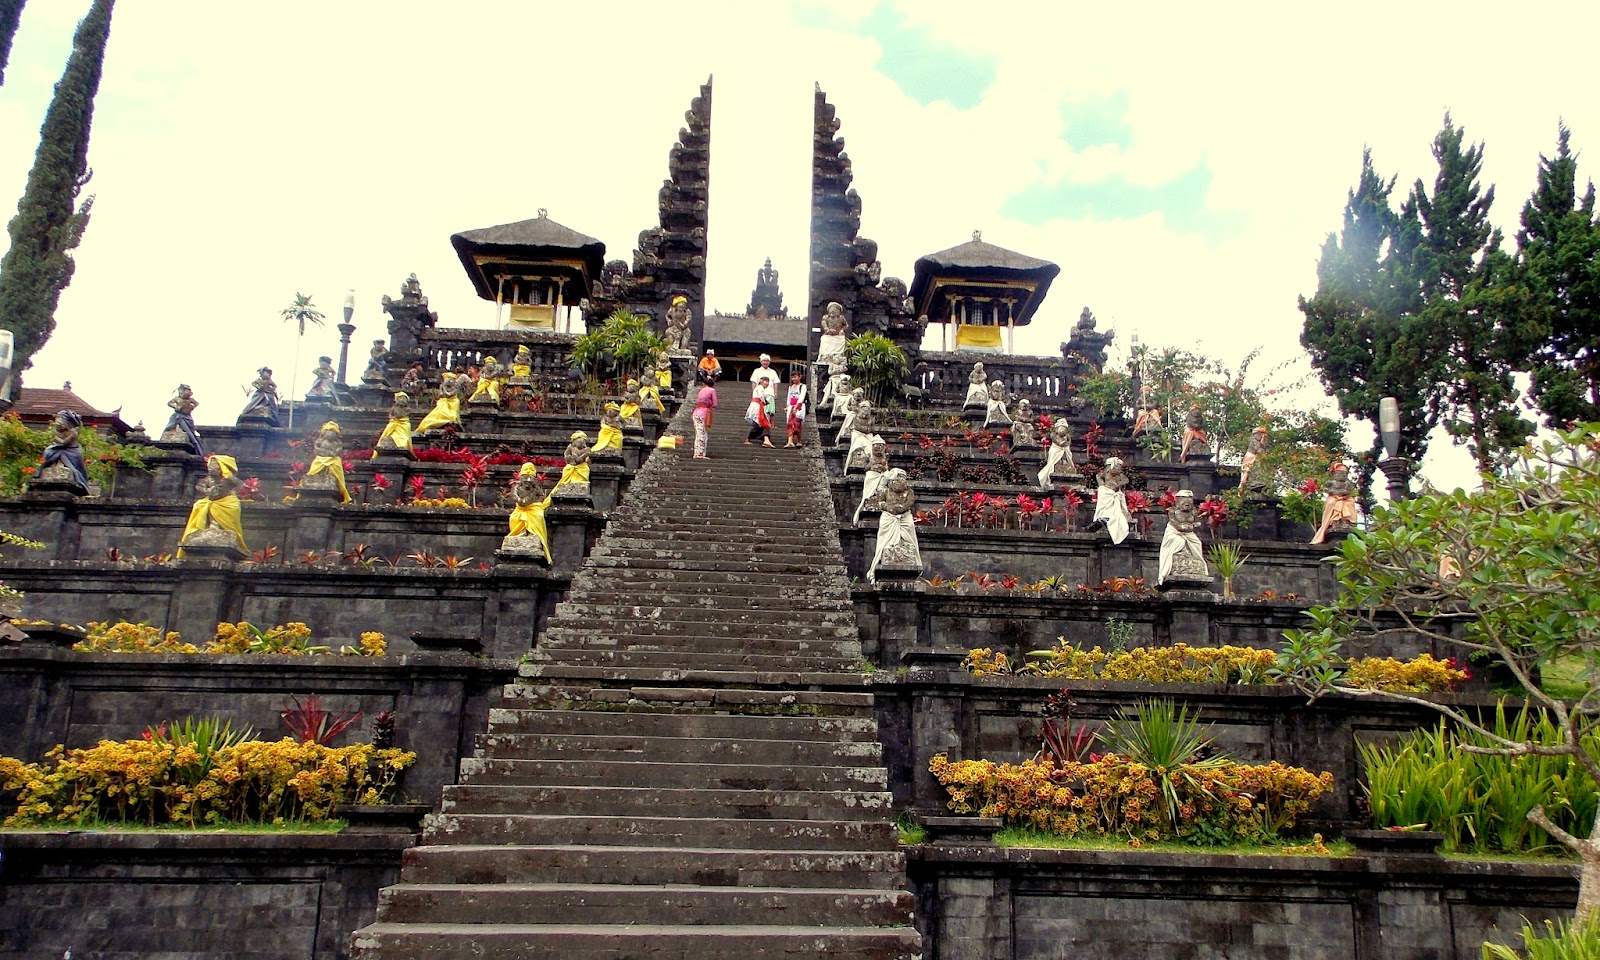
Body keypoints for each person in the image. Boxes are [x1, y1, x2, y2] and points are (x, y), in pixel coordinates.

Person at [177, 455, 246, 558]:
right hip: (211, 500)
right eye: (210, 468)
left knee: (228, 508)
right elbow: (200, 486)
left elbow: (239, 486)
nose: (211, 470)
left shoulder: (228, 479)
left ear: (221, 468)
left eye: (214, 468)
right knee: (200, 505)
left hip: (227, 501)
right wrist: (208, 491)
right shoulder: (209, 479)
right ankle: (208, 525)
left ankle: (219, 526)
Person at [1158, 490, 1206, 586]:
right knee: (1177, 541)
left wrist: (1194, 525)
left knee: (1197, 543)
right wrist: (1182, 527)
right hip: (1174, 533)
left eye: (1189, 500)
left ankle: (1197, 564)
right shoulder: (1172, 511)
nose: (1187, 503)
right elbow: (1174, 523)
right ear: (1178, 502)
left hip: (1189, 533)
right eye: (1184, 500)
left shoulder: (1193, 511)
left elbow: (1197, 523)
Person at [1311, 461, 1359, 544]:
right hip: (1334, 497)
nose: (1341, 476)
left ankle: (1346, 521)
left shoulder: (1348, 483)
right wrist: (1334, 493)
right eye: (1339, 473)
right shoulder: (1331, 483)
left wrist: (1344, 493)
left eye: (1343, 474)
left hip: (1345, 498)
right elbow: (1326, 489)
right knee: (1331, 503)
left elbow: (1350, 489)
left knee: (1349, 503)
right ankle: (1335, 521)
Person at [1091, 456, 1133, 544]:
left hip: (1116, 492)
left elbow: (1126, 480)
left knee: (1120, 496)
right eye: (1118, 467)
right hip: (1106, 492)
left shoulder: (1120, 475)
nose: (1120, 469)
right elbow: (1098, 476)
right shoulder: (1105, 473)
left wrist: (1119, 485)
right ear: (1112, 466)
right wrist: (1102, 485)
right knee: (1102, 491)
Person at [692, 380, 717, 459]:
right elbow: (715, 404)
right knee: (702, 433)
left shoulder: (701, 390)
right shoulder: (712, 390)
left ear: (704, 383)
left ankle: (697, 452)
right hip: (704, 413)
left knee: (698, 433)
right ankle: (700, 453)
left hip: (696, 412)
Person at [750, 354, 780, 419]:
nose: (766, 362)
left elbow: (775, 383)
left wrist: (775, 393)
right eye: (764, 360)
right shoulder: (757, 371)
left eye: (767, 361)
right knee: (760, 409)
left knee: (770, 409)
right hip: (760, 393)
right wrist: (754, 392)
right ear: (761, 362)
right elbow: (754, 382)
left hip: (770, 393)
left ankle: (769, 423)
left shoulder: (773, 372)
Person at [745, 381, 773, 447]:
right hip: (757, 406)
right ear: (761, 381)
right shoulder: (760, 388)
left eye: (768, 381)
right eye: (765, 381)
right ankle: (751, 438)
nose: (767, 383)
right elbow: (761, 396)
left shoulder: (759, 388)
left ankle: (764, 438)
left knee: (760, 423)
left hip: (758, 406)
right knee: (760, 423)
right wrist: (765, 401)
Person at [784, 371, 808, 447]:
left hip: (799, 407)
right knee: (790, 423)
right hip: (791, 406)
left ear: (800, 377)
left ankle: (798, 440)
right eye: (792, 377)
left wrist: (797, 406)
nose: (793, 378)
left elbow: (802, 397)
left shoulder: (802, 386)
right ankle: (790, 441)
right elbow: (789, 397)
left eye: (795, 377)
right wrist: (788, 406)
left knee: (797, 423)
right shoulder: (791, 387)